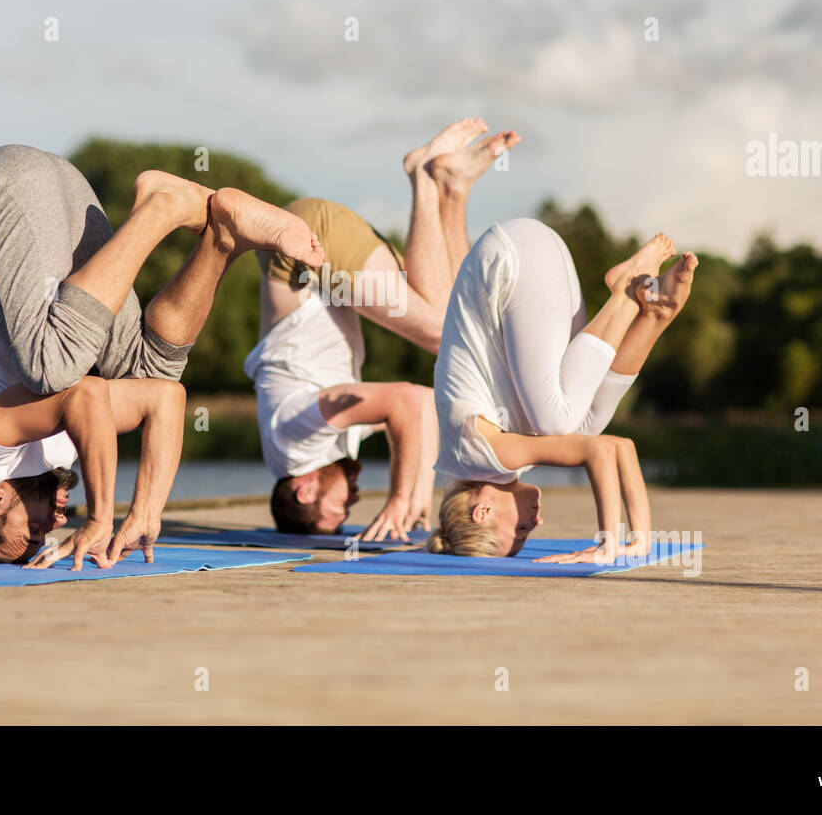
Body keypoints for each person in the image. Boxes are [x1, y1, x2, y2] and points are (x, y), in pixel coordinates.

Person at [0, 144, 323, 567]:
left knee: (51, 369)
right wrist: (146, 512)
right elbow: (164, 398)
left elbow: (83, 395)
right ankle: (223, 236)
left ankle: (162, 209)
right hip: (63, 200)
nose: (54, 524)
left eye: (32, 531)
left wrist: (100, 518)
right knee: (149, 372)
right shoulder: (49, 452)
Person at [245, 120, 520, 541]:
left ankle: (426, 174)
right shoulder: (324, 443)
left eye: (336, 509)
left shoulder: (292, 441)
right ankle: (452, 185)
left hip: (305, 249)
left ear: (304, 490)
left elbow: (404, 400)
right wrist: (420, 495)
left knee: (439, 333)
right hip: (319, 259)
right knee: (452, 317)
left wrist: (398, 498)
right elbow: (424, 405)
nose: (352, 505)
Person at [428, 216, 699, 563]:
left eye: (522, 529)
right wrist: (639, 542)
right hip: (533, 257)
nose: (537, 521)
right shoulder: (492, 461)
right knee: (583, 424)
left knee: (556, 422)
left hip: (513, 259)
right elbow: (616, 447)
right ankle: (653, 315)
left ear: (482, 511)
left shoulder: (480, 457)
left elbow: (595, 455)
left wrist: (606, 547)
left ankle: (629, 292)